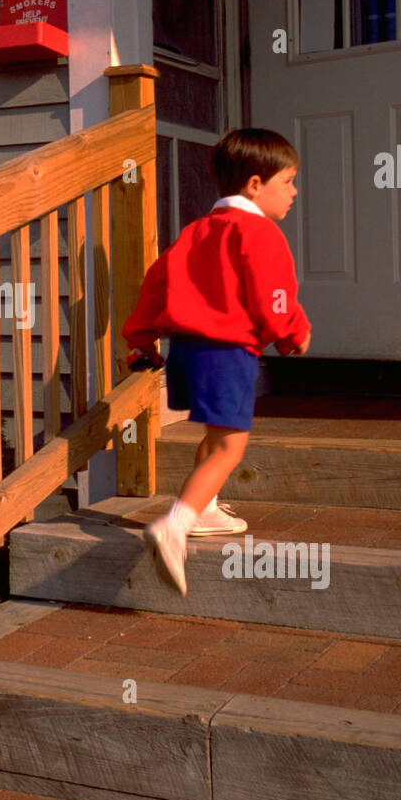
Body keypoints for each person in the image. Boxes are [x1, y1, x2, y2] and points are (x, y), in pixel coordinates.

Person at [122, 128, 311, 595]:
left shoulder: (195, 231)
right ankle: (176, 524)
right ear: (254, 184)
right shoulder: (261, 233)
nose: (294, 191)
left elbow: (156, 283)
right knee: (230, 447)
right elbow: (275, 297)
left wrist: (143, 339)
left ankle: (204, 508)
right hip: (227, 352)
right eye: (288, 181)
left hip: (187, 351)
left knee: (215, 435)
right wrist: (294, 334)